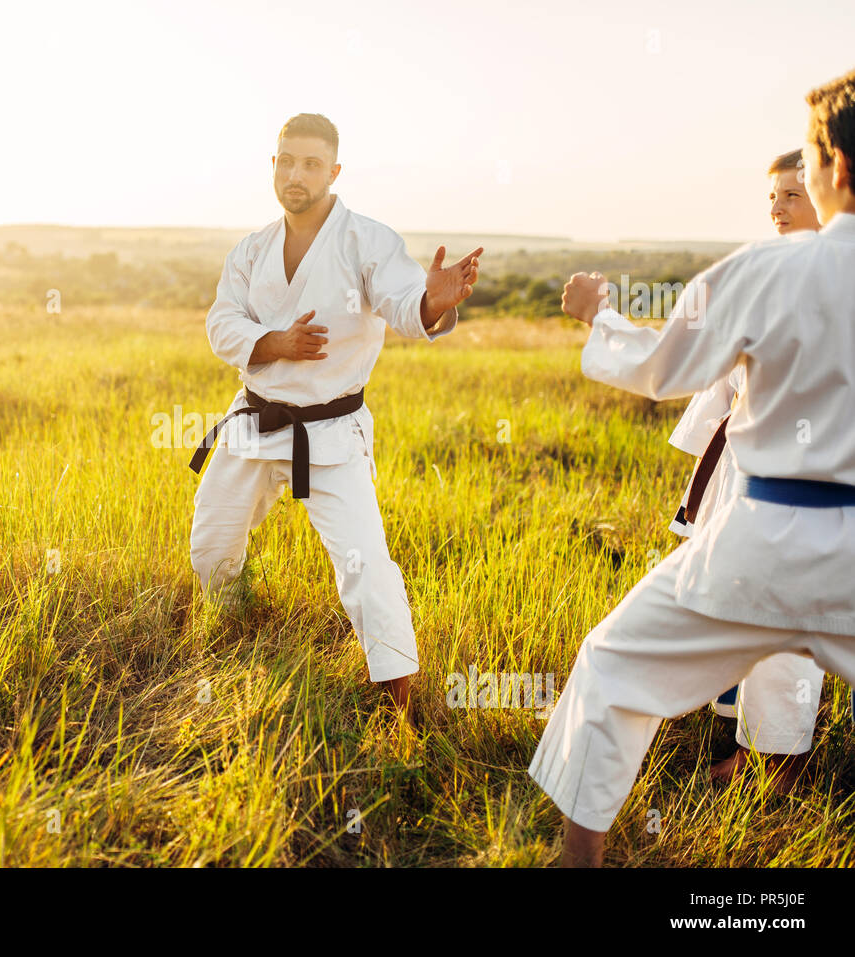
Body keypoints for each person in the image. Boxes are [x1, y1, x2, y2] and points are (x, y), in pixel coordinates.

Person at [528, 67, 855, 866]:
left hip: (760, 538)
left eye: (808, 161)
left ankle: (577, 861)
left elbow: (663, 367)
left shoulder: (768, 268)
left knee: (612, 665)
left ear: (833, 166)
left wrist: (600, 315)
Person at [188, 113, 480, 716]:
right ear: (273, 165)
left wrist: (432, 302)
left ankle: (399, 707)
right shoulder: (252, 249)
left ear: (334, 171)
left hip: (329, 432)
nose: (296, 174)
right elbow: (222, 322)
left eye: (312, 163)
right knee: (212, 546)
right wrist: (276, 343)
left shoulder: (366, 241)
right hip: (255, 420)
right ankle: (234, 635)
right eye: (286, 161)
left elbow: (404, 303)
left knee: (366, 567)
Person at [666, 149, 825, 789]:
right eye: (773, 196)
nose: (777, 208)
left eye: (793, 194)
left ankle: (781, 761)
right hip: (743, 468)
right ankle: (745, 737)